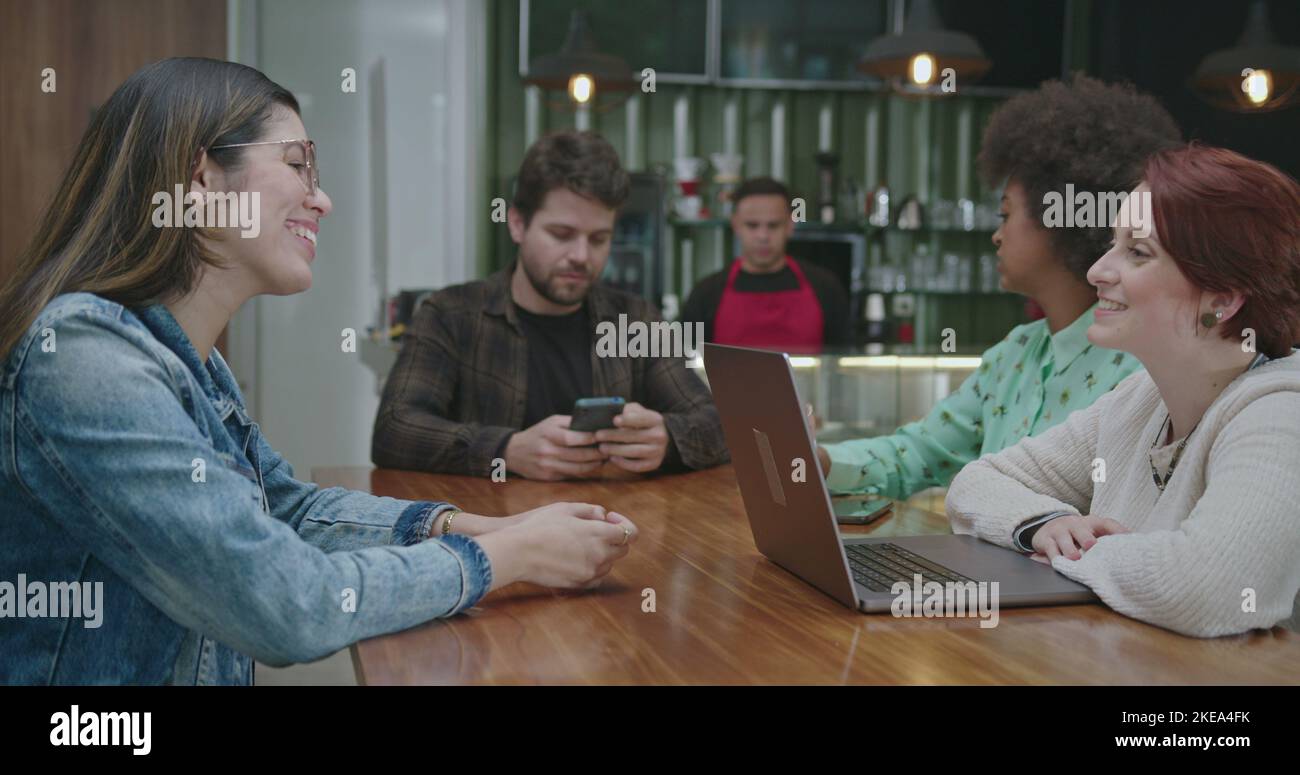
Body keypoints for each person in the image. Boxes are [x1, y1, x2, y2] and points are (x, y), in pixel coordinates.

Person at [0, 58, 637, 685]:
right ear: (200, 180)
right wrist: (507, 556)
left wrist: (475, 526)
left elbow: (286, 511)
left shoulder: (197, 364)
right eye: (298, 165)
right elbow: (283, 605)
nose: (323, 200)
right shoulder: (84, 357)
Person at [946, 144, 1300, 637]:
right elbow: (976, 483)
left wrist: (1073, 552)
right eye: (1113, 244)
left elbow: (1207, 586)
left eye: (1137, 252)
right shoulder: (1140, 400)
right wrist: (1041, 526)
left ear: (1221, 299)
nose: (1097, 271)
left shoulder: (1283, 414)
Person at [816, 74, 1182, 498]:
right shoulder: (1015, 354)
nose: (996, 235)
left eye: (1005, 215)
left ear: (1058, 223)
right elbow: (918, 453)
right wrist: (821, 461)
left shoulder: (1138, 369)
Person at [371, 129, 728, 481]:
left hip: (610, 527)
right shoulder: (451, 315)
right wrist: (506, 450)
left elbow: (717, 425)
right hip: (492, 531)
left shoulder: (635, 322)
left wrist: (667, 439)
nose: (581, 256)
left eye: (599, 239)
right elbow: (394, 429)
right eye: (561, 235)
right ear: (517, 224)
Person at [681, 176, 851, 353]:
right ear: (736, 225)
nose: (763, 236)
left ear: (790, 226)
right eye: (752, 225)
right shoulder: (706, 294)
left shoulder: (825, 287)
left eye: (773, 225)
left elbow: (842, 364)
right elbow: (686, 368)